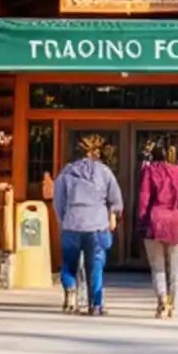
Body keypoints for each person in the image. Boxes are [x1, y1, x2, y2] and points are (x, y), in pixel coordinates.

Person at [53, 134, 123, 316]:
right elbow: (115, 199)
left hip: (72, 223)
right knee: (96, 265)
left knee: (69, 263)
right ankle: (96, 305)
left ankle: (70, 291)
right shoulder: (104, 172)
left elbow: (58, 201)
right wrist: (113, 215)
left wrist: (63, 219)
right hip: (96, 224)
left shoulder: (66, 173)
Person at [137, 143, 178, 319]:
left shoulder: (150, 172)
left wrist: (141, 220)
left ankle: (161, 299)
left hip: (155, 222)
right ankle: (172, 305)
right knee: (175, 269)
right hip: (176, 223)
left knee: (157, 267)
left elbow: (144, 199)